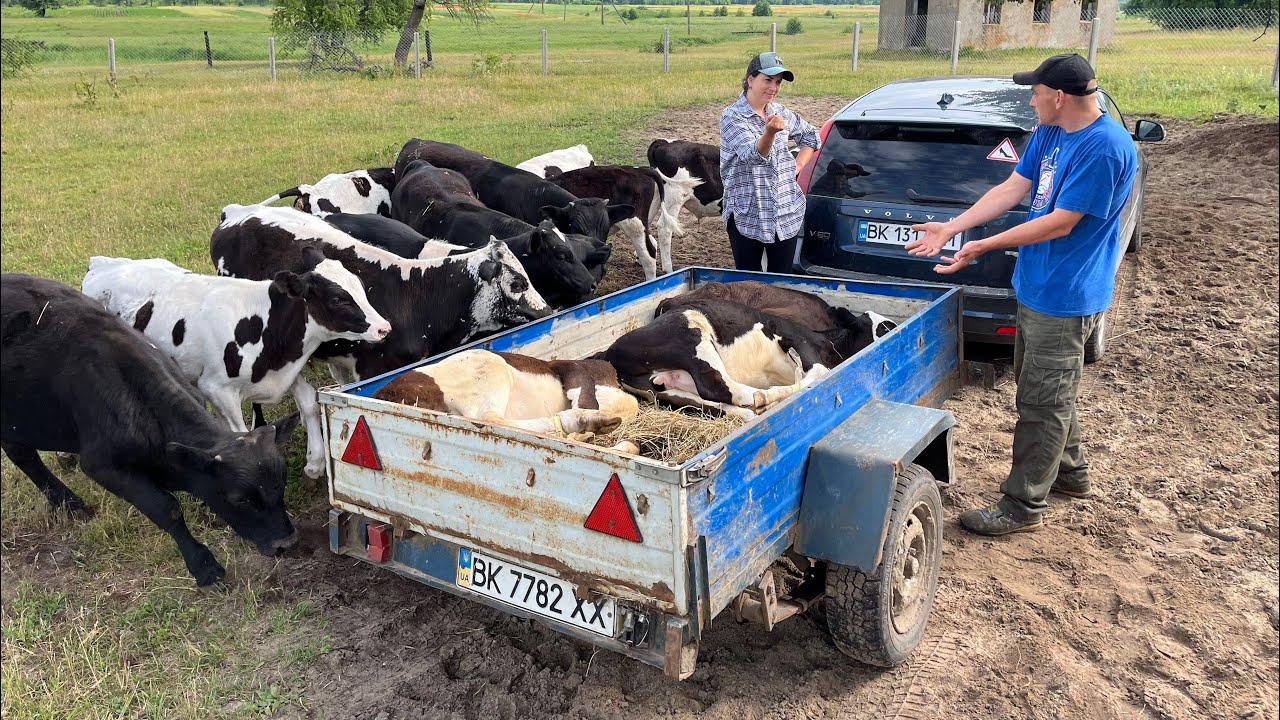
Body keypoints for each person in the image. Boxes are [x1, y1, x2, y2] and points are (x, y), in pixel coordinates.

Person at [904, 53, 1138, 536]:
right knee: (1048, 390)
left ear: (1058, 96)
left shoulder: (1104, 148)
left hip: (1066, 295)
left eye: (1035, 92)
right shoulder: (1051, 132)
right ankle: (1071, 474)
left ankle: (1023, 506)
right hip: (1036, 285)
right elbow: (1013, 187)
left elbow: (1061, 222)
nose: (1030, 99)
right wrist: (954, 225)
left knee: (1041, 402)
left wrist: (984, 244)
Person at [719, 51, 820, 272]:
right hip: (747, 214)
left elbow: (812, 136)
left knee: (781, 283)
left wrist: (799, 165)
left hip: (785, 212)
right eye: (767, 80)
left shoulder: (781, 112)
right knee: (749, 283)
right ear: (750, 80)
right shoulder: (732, 117)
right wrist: (770, 132)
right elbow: (753, 155)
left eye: (778, 82)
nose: (773, 88)